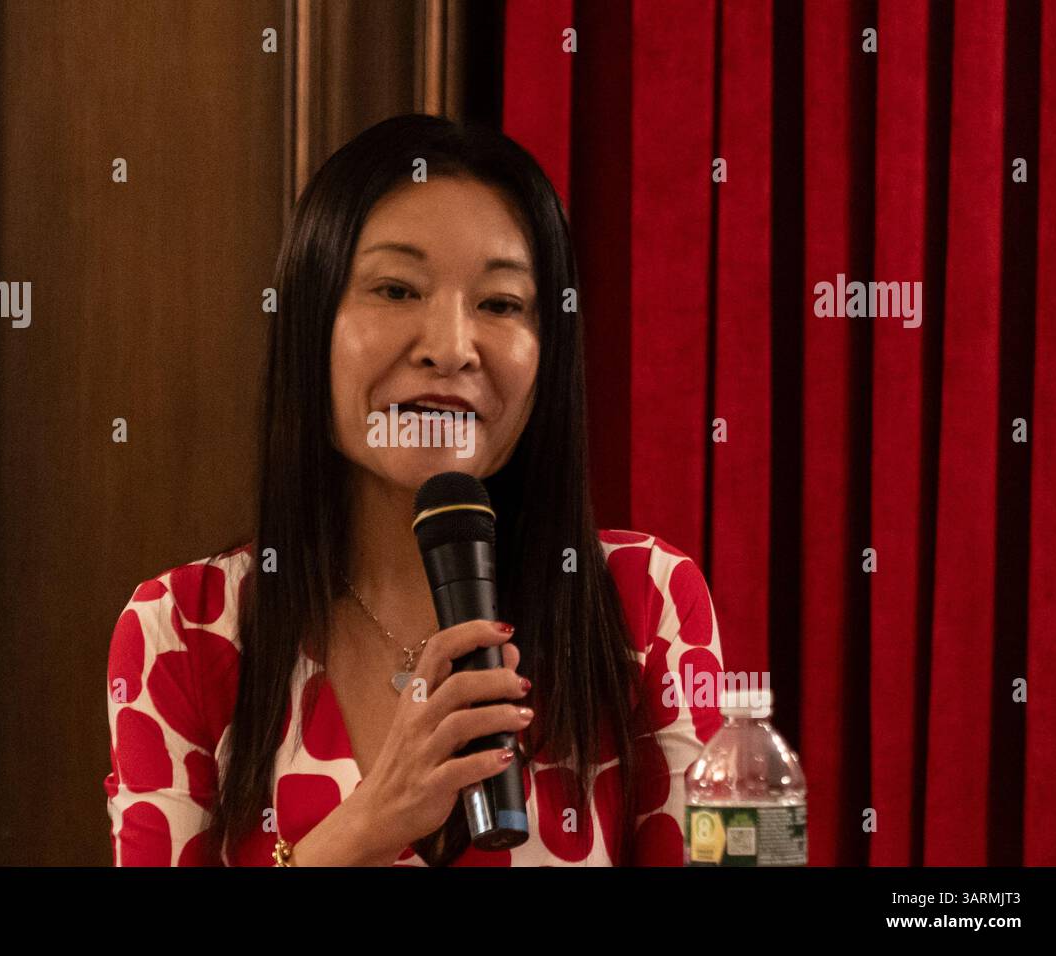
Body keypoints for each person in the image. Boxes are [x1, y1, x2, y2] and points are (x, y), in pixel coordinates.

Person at [104, 113, 725, 866]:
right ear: (311, 326)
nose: (450, 349)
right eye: (396, 290)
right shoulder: (183, 630)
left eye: (500, 304)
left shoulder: (643, 602)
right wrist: (368, 823)